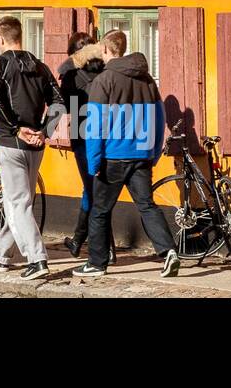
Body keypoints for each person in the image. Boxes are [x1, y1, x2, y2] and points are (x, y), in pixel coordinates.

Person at [72, 29, 180, 279]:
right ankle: (168, 252)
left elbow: (95, 125)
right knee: (147, 205)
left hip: (113, 156)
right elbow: (159, 117)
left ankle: (97, 263)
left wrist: (93, 162)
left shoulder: (104, 80)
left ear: (107, 50)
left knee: (100, 210)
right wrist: (152, 153)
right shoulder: (147, 79)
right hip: (141, 154)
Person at [0, 16, 65, 280]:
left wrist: (17, 128)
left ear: (0, 38)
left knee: (18, 203)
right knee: (21, 202)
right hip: (36, 145)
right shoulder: (39, 66)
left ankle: (37, 259)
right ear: (21, 36)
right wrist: (45, 131)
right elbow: (59, 101)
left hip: (11, 142)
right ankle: (1, 254)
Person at [56, 31, 111, 261]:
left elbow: (61, 107)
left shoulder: (70, 75)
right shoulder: (107, 70)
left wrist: (43, 131)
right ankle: (82, 241)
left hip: (83, 135)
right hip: (108, 135)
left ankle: (87, 243)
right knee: (99, 189)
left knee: (92, 189)